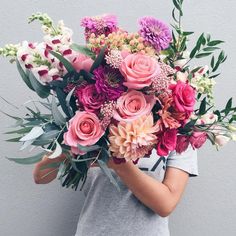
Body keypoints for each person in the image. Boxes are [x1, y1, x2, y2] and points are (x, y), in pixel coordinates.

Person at [33, 145, 198, 236]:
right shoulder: (91, 111)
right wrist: (75, 138)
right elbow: (41, 176)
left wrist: (117, 162)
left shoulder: (179, 129)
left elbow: (165, 204)